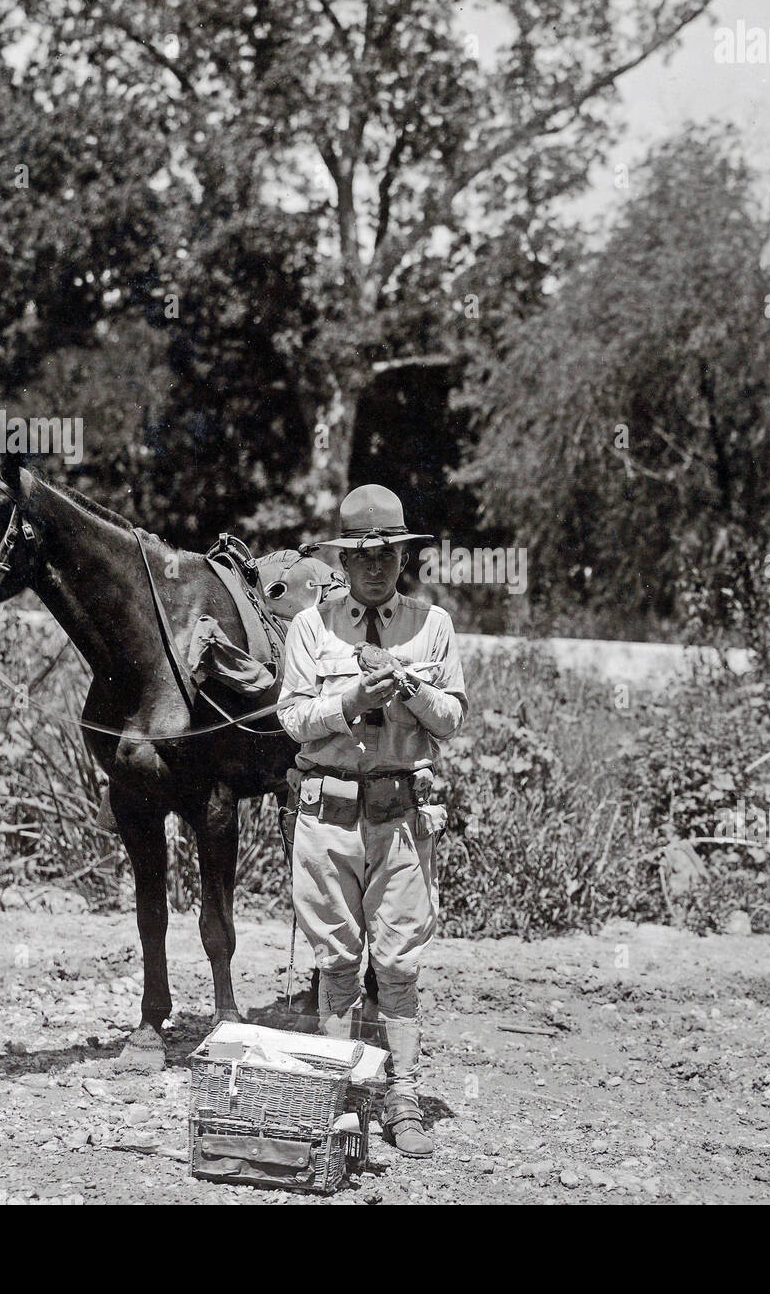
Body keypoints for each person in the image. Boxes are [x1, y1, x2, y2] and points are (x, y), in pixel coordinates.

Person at [276, 485, 467, 1157]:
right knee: (336, 962)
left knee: (398, 963)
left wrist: (408, 687)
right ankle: (341, 1099)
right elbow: (293, 718)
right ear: (343, 560)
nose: (376, 565)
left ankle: (402, 1094)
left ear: (402, 555)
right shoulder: (311, 626)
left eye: (387, 552)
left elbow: (452, 721)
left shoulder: (432, 625)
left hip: (398, 817)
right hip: (326, 815)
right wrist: (353, 696)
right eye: (362, 554)